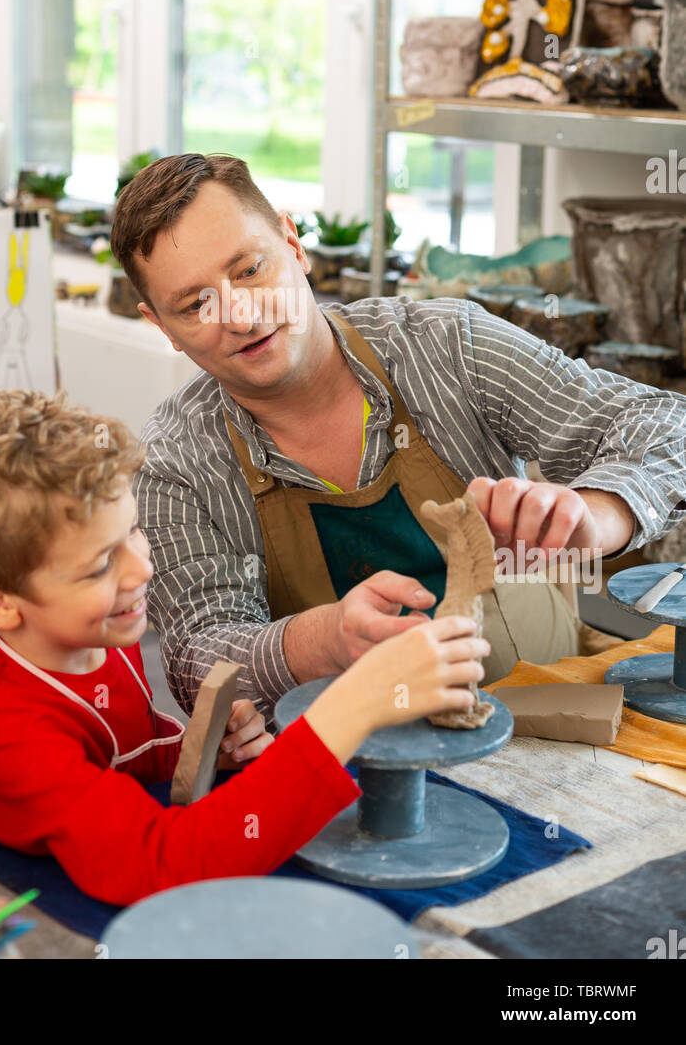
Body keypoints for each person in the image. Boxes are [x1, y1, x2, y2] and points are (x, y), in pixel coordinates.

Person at [109, 153, 686, 723]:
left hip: (554, 720)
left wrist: (599, 516)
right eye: (195, 304)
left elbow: (667, 426)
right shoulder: (172, 465)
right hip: (353, 768)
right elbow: (196, 665)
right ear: (162, 328)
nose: (240, 315)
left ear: (293, 244)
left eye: (249, 269)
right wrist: (326, 639)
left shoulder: (447, 346)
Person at [0, 388, 489, 907]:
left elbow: (119, 755)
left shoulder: (93, 635)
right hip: (30, 923)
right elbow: (163, 867)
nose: (142, 569)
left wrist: (196, 750)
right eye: (101, 565)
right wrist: (354, 706)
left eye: (132, 531)